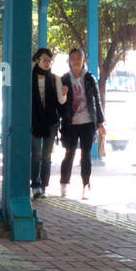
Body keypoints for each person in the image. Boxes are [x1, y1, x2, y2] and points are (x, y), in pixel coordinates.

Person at [59, 48, 107, 200]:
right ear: (69, 61)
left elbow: (97, 101)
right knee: (69, 153)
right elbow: (59, 103)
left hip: (88, 122)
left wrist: (100, 121)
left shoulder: (90, 78)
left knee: (86, 155)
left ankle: (86, 185)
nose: (76, 61)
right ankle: (64, 184)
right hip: (70, 123)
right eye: (72, 58)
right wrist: (63, 94)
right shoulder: (64, 79)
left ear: (83, 60)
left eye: (78, 58)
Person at [30, 47, 65, 198]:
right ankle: (35, 185)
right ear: (37, 60)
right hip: (35, 121)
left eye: (49, 61)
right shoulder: (29, 78)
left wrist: (64, 94)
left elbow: (61, 101)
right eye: (44, 60)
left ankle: (43, 186)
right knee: (36, 154)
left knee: (47, 156)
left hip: (51, 121)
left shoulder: (55, 79)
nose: (47, 63)